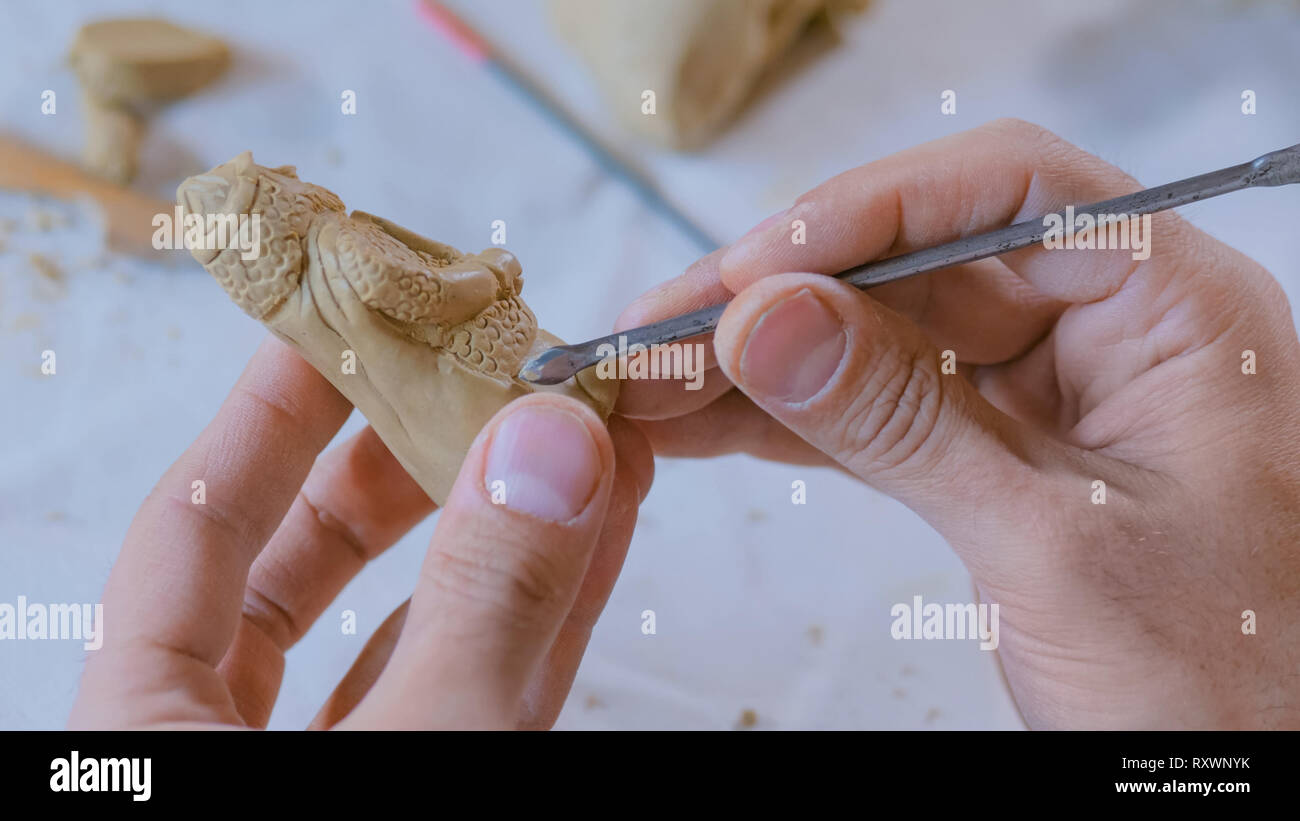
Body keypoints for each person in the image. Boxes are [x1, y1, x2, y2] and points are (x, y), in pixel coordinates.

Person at [70, 119, 1300, 729]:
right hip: (508, 398)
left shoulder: (297, 304)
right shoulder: (333, 256)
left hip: (475, 429)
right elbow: (425, 287)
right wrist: (488, 275)